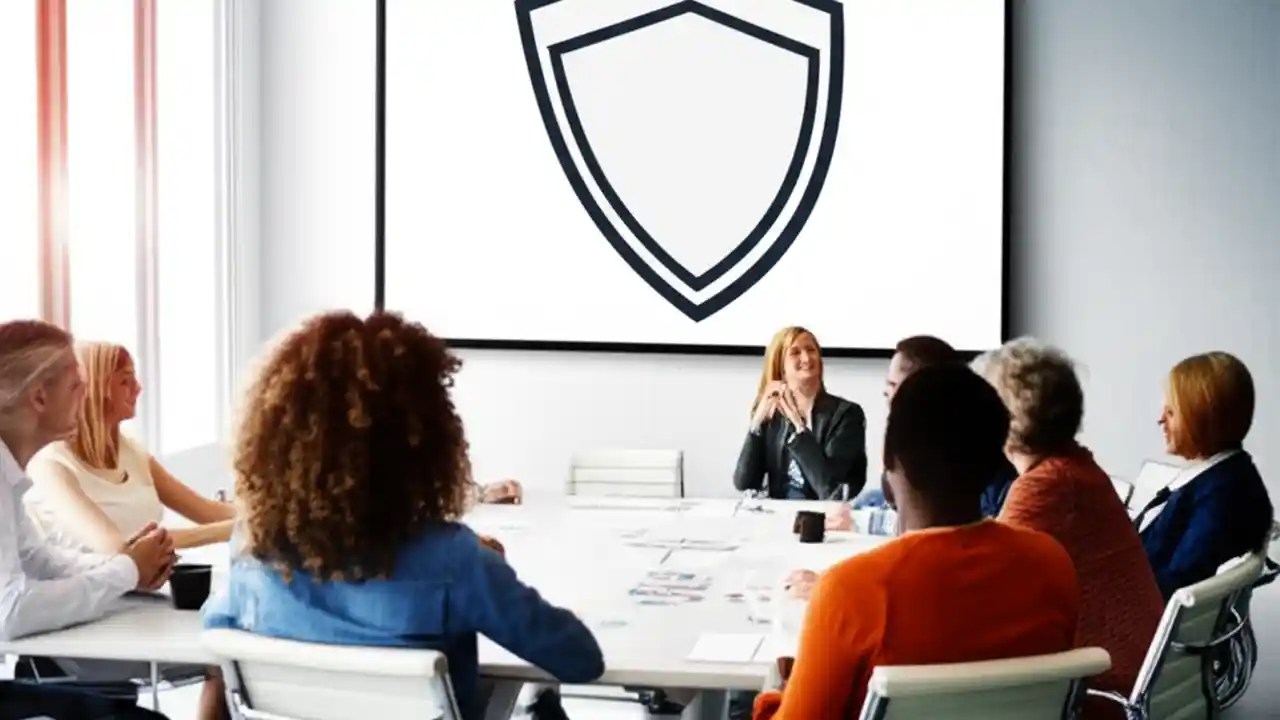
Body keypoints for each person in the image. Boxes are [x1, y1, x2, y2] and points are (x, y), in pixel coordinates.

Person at [203, 311, 604, 720]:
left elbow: (216, 636)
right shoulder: (457, 562)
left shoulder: (252, 549)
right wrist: (492, 575)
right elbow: (581, 659)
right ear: (425, 441)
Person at [753, 365, 1079, 719]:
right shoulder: (1053, 564)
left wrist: (776, 692)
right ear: (994, 463)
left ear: (889, 463)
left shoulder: (850, 592)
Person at [978, 337, 1163, 718]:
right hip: (1128, 677)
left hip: (1100, 691)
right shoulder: (1074, 469)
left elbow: (976, 583)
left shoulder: (1047, 485)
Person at [0, 320, 173, 719]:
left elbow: (42, 563)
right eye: (77, 386)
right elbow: (10, 611)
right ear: (40, 398)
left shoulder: (9, 478)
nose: (87, 395)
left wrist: (132, 567)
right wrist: (127, 571)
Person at [25, 342, 236, 552]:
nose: (138, 388)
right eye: (125, 381)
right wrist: (229, 531)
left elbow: (207, 511)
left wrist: (262, 515)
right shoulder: (50, 466)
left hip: (141, 583)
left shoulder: (133, 453)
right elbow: (117, 546)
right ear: (97, 390)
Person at [837, 335, 1016, 529]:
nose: (888, 397)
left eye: (894, 387)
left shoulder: (973, 462)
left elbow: (944, 524)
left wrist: (864, 522)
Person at [1138, 351, 1273, 599]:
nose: (1160, 420)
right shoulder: (1225, 477)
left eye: (1171, 413)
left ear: (1201, 418)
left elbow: (1178, 580)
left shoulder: (1224, 496)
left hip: (1139, 617)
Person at [733, 326, 866, 500]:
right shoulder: (773, 416)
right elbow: (744, 482)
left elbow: (829, 490)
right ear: (780, 366)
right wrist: (756, 424)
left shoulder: (846, 415)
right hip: (779, 515)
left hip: (828, 518)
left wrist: (799, 428)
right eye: (795, 353)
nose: (806, 358)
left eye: (811, 350)